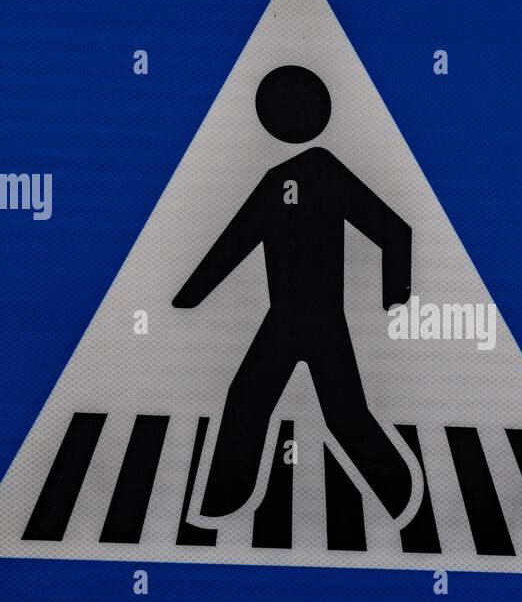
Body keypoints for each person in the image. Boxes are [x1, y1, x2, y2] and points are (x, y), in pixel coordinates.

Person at [174, 65, 413, 518]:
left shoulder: (320, 172)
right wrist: (191, 296)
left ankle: (399, 494)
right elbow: (236, 242)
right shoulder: (282, 179)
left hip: (317, 318)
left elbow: (394, 231)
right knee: (252, 400)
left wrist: (394, 296)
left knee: (338, 414)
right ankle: (225, 502)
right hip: (284, 317)